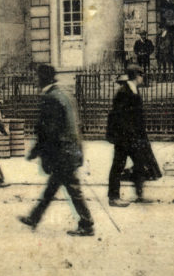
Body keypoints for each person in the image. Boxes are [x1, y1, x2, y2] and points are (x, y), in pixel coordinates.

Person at [19, 64, 94, 236]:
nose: (34, 79)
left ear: (42, 78)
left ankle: (87, 224)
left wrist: (35, 151)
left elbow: (48, 130)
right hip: (70, 149)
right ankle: (34, 217)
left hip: (62, 152)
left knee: (72, 188)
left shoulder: (50, 98)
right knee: (53, 187)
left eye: (36, 76)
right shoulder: (64, 94)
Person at [105, 63, 162, 207]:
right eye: (142, 75)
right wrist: (122, 136)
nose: (143, 78)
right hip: (124, 138)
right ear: (137, 76)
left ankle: (139, 195)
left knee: (139, 164)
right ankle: (113, 197)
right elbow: (117, 116)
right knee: (118, 166)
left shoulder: (133, 90)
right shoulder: (123, 92)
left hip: (134, 137)